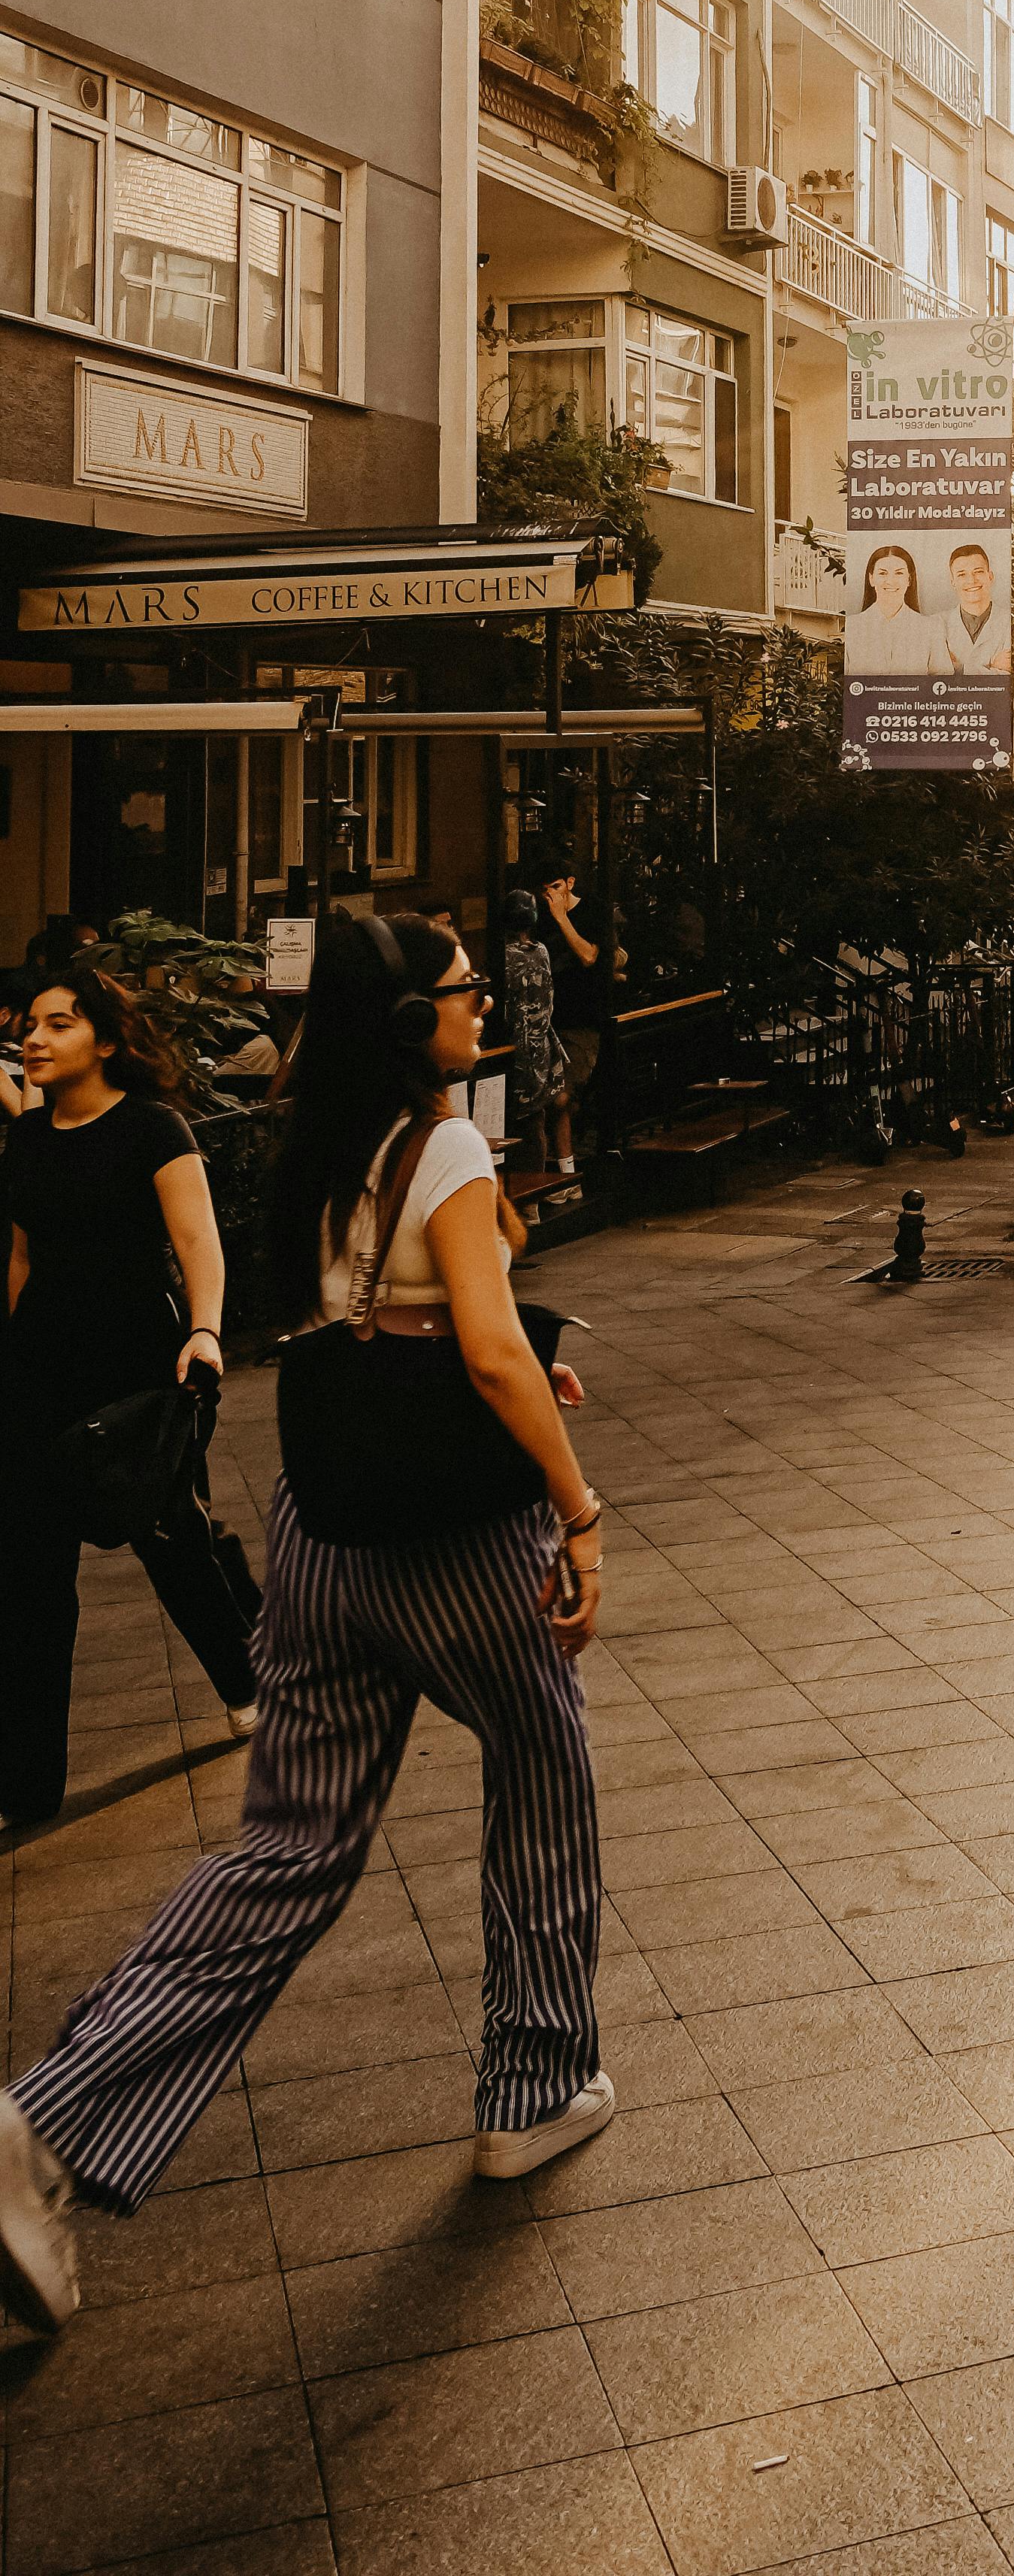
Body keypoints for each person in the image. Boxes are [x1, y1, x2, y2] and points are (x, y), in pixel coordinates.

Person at [0, 916, 613, 2337]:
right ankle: (531, 2086)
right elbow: (483, 1341)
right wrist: (575, 1509)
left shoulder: (315, 1146)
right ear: (411, 1021)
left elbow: (365, 1313)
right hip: (456, 1548)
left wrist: (505, 1364)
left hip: (321, 1536)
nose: (477, 1007)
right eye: (459, 992)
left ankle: (40, 2122)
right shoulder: (445, 1146)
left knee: (287, 1850)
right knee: (542, 1761)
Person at [2, 966, 261, 1824]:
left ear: (106, 1041)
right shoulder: (29, 1139)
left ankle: (248, 1680)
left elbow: (200, 1244)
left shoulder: (154, 1129)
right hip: (39, 1371)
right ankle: (29, 1782)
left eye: (60, 1024)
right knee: (30, 1575)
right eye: (31, 1024)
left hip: (139, 1364)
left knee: (173, 1537)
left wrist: (206, 1331)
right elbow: (24, 1257)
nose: (35, 1038)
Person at [501, 888, 571, 1179]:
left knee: (524, 1123)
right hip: (540, 1045)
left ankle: (528, 1195)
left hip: (518, 1048)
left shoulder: (506, 957)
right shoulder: (541, 951)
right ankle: (536, 1195)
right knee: (535, 1121)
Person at [539, 873, 607, 1128]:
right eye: (546, 891)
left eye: (556, 887)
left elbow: (589, 956)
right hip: (551, 1021)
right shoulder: (541, 918)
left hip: (582, 1020)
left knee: (563, 1096)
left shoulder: (592, 911)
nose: (552, 896)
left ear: (570, 883)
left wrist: (561, 917)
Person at [847, 542, 951, 675]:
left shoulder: (931, 627)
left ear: (909, 580)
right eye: (883, 573)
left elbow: (942, 677)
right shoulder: (852, 627)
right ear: (871, 579)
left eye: (899, 573)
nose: (890, 580)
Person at [938, 541, 1012, 677]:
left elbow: (1009, 679)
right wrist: (991, 668)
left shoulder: (1012, 622)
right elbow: (932, 676)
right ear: (953, 582)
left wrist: (957, 669)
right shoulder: (935, 624)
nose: (971, 581)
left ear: (990, 577)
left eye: (978, 572)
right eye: (962, 574)